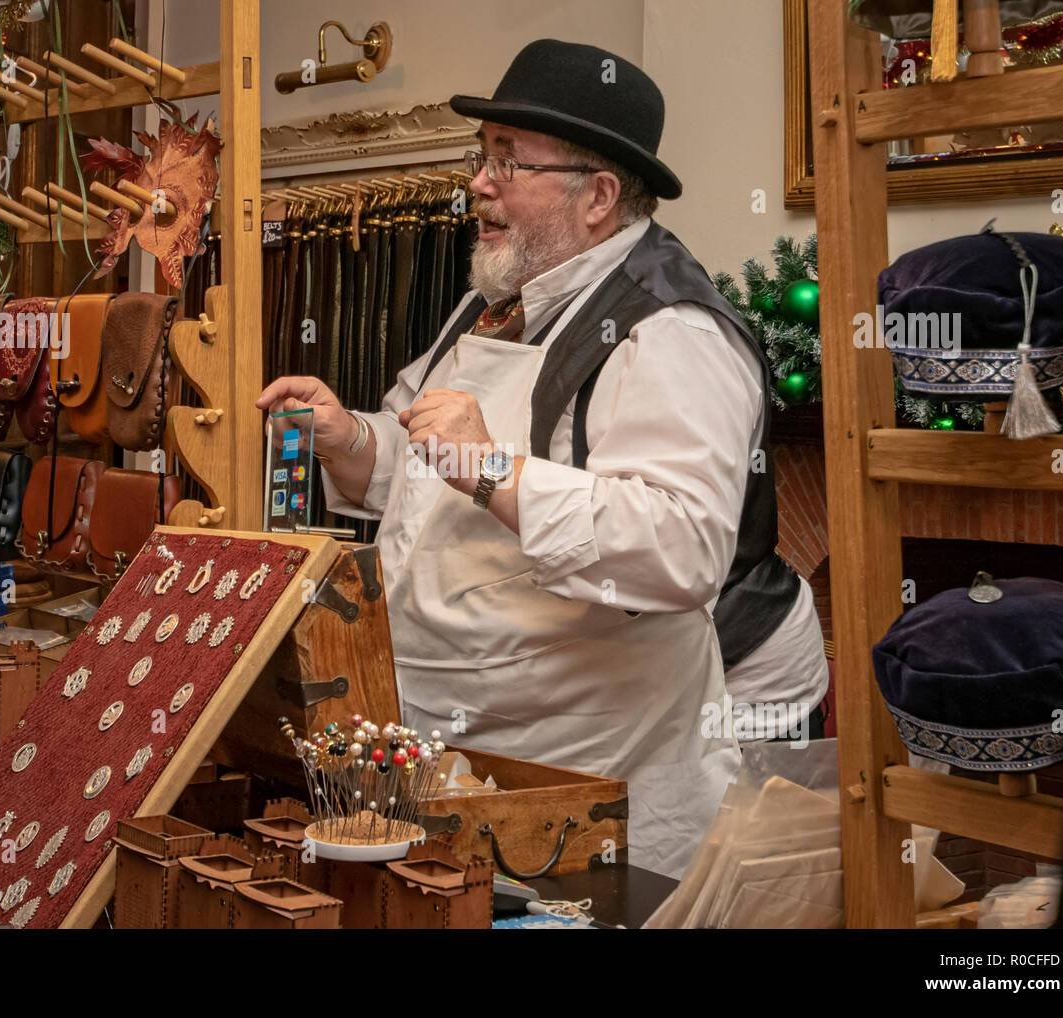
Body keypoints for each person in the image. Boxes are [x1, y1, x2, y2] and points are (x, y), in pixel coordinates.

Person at [257, 39, 820, 877]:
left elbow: (680, 547)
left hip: (599, 766)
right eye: (480, 157)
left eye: (507, 162)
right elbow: (426, 466)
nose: (478, 185)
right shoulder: (501, 296)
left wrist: (493, 470)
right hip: (473, 750)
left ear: (597, 195)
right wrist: (354, 439)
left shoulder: (675, 332)